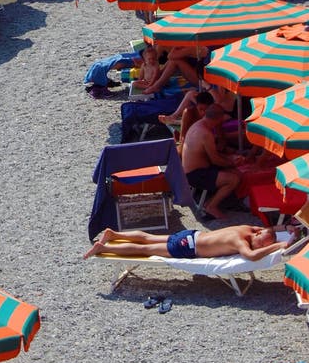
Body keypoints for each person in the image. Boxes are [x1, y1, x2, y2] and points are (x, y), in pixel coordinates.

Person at [84, 224, 292, 261]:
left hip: (191, 235)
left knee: (149, 237)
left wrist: (289, 230)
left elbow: (270, 229)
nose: (260, 247)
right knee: (146, 249)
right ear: (256, 235)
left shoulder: (247, 228)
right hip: (188, 247)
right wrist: (279, 245)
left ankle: (114, 233)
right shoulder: (240, 242)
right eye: (262, 243)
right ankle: (105, 247)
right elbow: (251, 256)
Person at [182, 104, 241, 218]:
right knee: (234, 179)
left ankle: (228, 201)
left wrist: (229, 158)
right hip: (195, 175)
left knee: (234, 171)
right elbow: (215, 160)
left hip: (192, 171)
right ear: (219, 119)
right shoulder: (205, 134)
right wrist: (232, 162)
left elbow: (209, 155)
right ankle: (211, 206)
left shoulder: (198, 125)